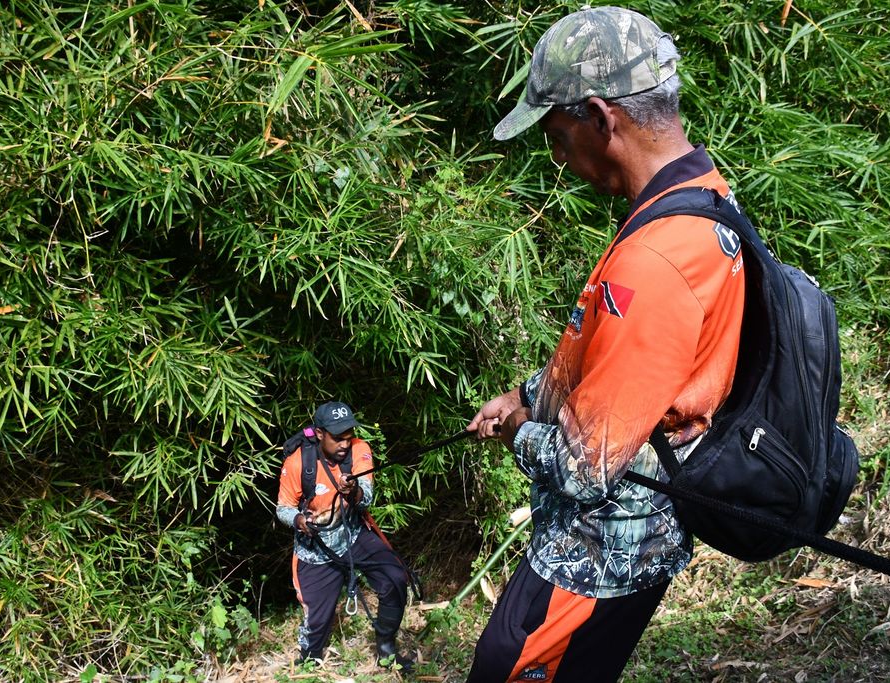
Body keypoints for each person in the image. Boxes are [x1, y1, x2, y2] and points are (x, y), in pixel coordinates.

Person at [466, 7, 746, 682]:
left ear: (600, 116)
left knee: (504, 667)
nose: (559, 161)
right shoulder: (701, 199)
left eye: (559, 138)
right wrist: (529, 396)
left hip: (597, 556)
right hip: (622, 540)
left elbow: (582, 467)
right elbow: (613, 355)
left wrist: (518, 436)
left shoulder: (656, 261)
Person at [276, 401, 414, 673]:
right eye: (337, 437)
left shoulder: (359, 450)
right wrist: (299, 520)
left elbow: (366, 497)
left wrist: (352, 492)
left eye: (348, 435)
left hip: (352, 534)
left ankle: (386, 648)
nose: (344, 443)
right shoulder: (297, 463)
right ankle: (310, 659)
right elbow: (283, 508)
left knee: (395, 578)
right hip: (316, 549)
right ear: (319, 434)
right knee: (316, 621)